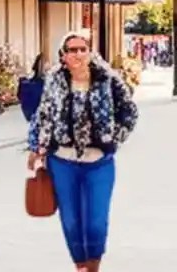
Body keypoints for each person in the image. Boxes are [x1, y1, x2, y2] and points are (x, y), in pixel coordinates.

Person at [27, 30, 139, 272]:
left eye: (82, 49)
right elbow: (42, 114)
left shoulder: (107, 78)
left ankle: (94, 266)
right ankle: (80, 265)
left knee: (96, 221)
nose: (78, 54)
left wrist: (114, 138)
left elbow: (129, 111)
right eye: (72, 50)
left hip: (99, 162)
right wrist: (36, 147)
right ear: (63, 56)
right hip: (62, 161)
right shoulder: (54, 80)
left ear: (89, 52)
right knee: (71, 220)